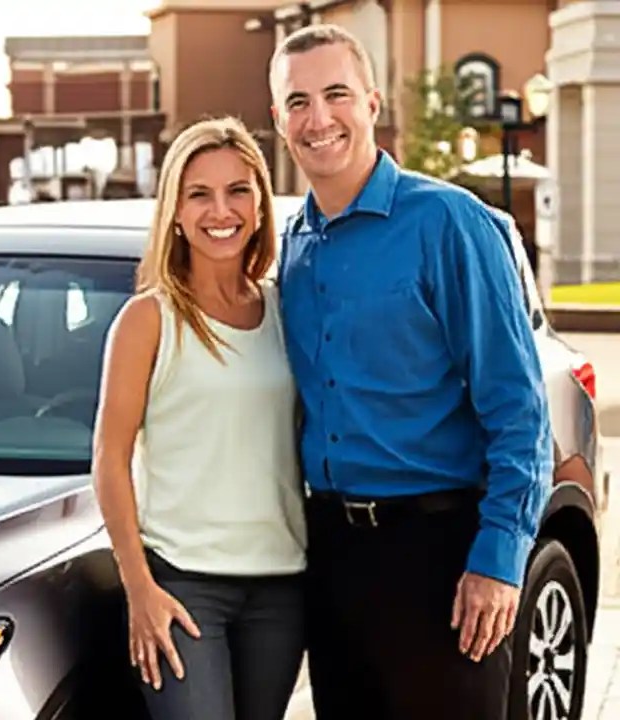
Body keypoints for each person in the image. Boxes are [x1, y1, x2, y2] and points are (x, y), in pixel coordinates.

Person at [268, 24, 553, 719]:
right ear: (278, 120)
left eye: (336, 94)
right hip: (332, 554)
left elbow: (519, 411)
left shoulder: (448, 223)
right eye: (297, 102)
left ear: (372, 102)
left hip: (441, 552)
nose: (318, 118)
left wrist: (496, 560)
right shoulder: (293, 246)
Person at [92, 116, 307, 720]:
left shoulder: (286, 311)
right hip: (182, 587)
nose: (222, 210)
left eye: (239, 190)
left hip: (281, 585)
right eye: (200, 194)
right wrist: (139, 588)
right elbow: (109, 459)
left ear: (261, 205)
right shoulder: (147, 320)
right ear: (177, 213)